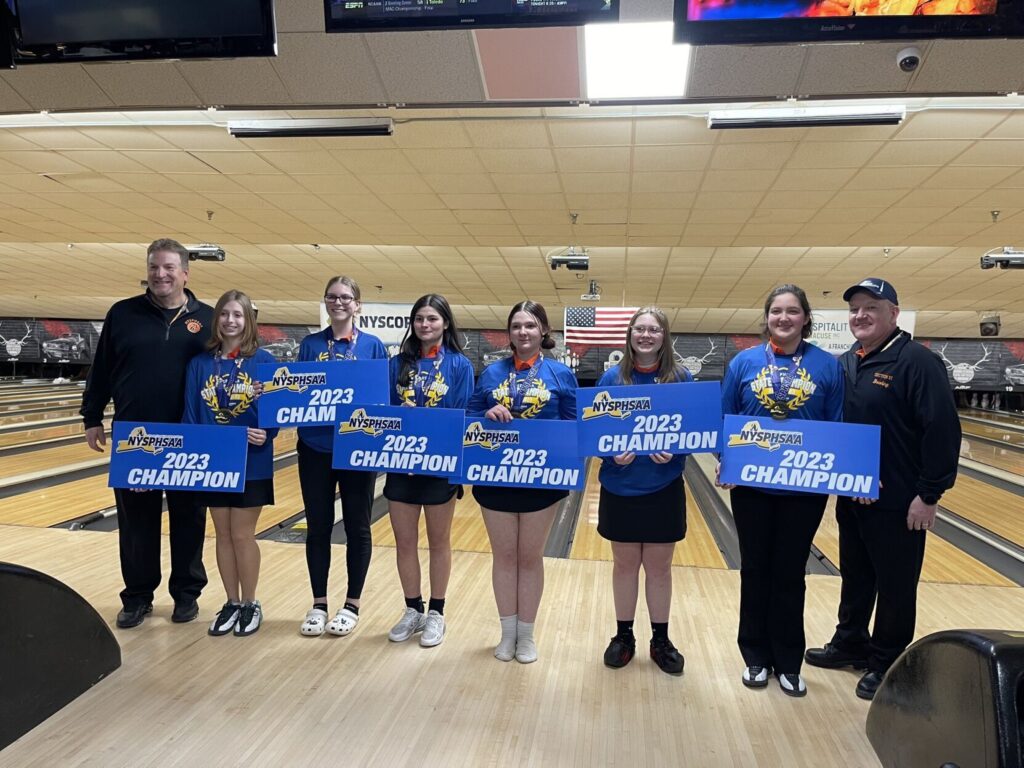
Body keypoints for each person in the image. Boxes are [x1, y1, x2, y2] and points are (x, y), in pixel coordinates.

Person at [805, 277, 960, 701]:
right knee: (856, 576)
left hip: (899, 502)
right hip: (853, 494)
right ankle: (850, 642)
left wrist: (929, 494)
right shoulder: (848, 362)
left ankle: (887, 660)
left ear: (894, 312)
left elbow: (942, 430)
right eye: (854, 308)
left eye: (871, 307)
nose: (861, 315)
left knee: (895, 585)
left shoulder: (917, 362)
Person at [718, 284, 844, 697]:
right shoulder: (744, 362)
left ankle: (788, 661)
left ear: (806, 318)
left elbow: (837, 424)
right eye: (776, 311)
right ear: (767, 317)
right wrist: (725, 459)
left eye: (792, 311)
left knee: (790, 574)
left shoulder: (827, 365)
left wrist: (839, 470)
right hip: (752, 487)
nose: (783, 318)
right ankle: (755, 656)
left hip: (803, 489)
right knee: (755, 570)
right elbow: (726, 417)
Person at [80, 238, 213, 629]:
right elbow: (102, 368)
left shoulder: (207, 319)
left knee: (189, 518)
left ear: (185, 273)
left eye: (169, 267)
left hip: (189, 436)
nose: (160, 274)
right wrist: (91, 415)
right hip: (135, 436)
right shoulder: (123, 313)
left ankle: (186, 594)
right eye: (154, 267)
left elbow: (224, 374)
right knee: (136, 523)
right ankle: (138, 597)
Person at [467, 300, 577, 664]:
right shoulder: (491, 374)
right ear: (509, 332)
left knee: (529, 558)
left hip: (540, 479)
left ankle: (526, 636)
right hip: (496, 476)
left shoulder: (560, 374)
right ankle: (507, 633)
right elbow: (468, 418)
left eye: (530, 325)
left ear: (543, 330)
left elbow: (575, 426)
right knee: (504, 557)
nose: (523, 332)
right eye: (516, 326)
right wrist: (486, 412)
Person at [597, 307, 691, 676]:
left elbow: (693, 428)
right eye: (640, 329)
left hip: (663, 487)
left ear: (664, 336)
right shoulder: (612, 378)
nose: (646, 335)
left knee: (659, 568)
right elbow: (595, 431)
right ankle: (624, 637)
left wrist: (676, 451)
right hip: (620, 486)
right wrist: (611, 454)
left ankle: (660, 640)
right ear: (630, 334)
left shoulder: (679, 378)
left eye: (654, 330)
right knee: (624, 566)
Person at [297, 276, 388, 638]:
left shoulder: (373, 346)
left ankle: (352, 604)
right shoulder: (310, 345)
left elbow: (381, 399)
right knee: (318, 527)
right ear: (325, 301)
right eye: (332, 297)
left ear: (357, 304)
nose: (339, 302)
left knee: (357, 527)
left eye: (346, 297)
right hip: (315, 446)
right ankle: (319, 604)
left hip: (357, 448)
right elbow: (296, 393)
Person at [183, 290, 277, 637]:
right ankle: (232, 602)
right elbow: (191, 414)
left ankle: (251, 602)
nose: (230, 321)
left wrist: (266, 432)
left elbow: (275, 413)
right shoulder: (200, 364)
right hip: (213, 462)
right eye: (224, 314)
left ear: (248, 320)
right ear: (217, 320)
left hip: (252, 461)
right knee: (222, 534)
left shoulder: (264, 362)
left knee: (241, 534)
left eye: (237, 315)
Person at [384, 295, 474, 648]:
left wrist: (426, 426)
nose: (425, 325)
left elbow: (461, 415)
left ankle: (436, 612)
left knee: (439, 541)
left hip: (439, 465)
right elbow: (383, 411)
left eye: (432, 319)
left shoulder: (459, 365)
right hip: (401, 465)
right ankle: (413, 609)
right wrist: (400, 415)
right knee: (405, 542)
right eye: (419, 318)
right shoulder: (397, 364)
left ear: (445, 323)